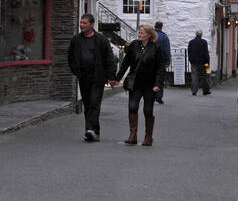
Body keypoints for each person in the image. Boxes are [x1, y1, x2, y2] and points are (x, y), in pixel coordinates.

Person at [67, 14, 117, 142]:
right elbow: (70, 56)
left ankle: (90, 130)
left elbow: (109, 58)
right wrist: (75, 71)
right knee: (88, 104)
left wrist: (112, 77)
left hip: (98, 77)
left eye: (84, 23)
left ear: (91, 24)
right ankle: (94, 132)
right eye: (81, 22)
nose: (81, 25)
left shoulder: (101, 40)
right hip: (83, 77)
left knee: (94, 102)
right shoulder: (76, 40)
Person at [117, 23, 165, 147]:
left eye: (142, 33)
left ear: (149, 35)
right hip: (136, 83)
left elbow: (160, 68)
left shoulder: (156, 48)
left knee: (148, 110)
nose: (139, 34)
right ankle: (133, 134)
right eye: (139, 32)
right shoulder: (134, 45)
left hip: (150, 84)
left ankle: (148, 136)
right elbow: (125, 63)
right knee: (132, 107)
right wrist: (117, 78)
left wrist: (157, 84)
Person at [187, 30, 211, 96]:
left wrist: (190, 60)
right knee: (205, 76)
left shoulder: (191, 42)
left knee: (194, 76)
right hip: (204, 62)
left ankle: (194, 91)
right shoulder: (204, 42)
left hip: (194, 62)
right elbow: (206, 53)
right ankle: (205, 90)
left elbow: (189, 52)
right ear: (201, 35)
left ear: (196, 34)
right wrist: (207, 62)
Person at [154, 21, 172, 103]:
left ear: (155, 26)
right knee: (160, 79)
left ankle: (151, 95)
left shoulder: (150, 35)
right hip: (161, 61)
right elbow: (166, 50)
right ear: (161, 27)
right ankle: (159, 96)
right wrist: (168, 61)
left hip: (150, 60)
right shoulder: (164, 37)